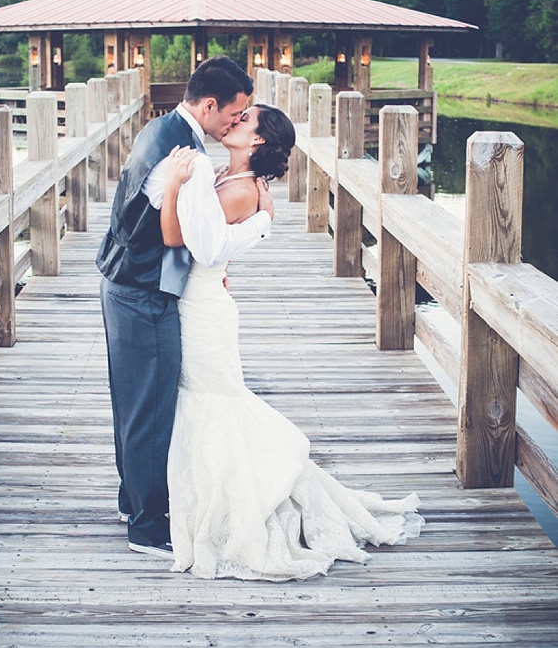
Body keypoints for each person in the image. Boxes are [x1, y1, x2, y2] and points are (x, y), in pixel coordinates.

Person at [161, 103, 424, 580]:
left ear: (258, 140)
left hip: (203, 310)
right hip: (202, 300)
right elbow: (217, 246)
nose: (235, 120)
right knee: (210, 401)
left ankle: (237, 505)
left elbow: (190, 244)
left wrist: (177, 186)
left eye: (245, 119)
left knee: (214, 403)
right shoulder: (231, 178)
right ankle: (212, 497)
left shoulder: (241, 189)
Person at [96, 57, 274, 559]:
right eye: (235, 114)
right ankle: (149, 527)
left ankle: (132, 502)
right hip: (144, 291)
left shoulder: (161, 129)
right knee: (150, 411)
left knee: (131, 404)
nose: (235, 123)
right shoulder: (186, 157)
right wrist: (261, 224)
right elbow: (197, 242)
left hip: (121, 282)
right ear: (211, 105)